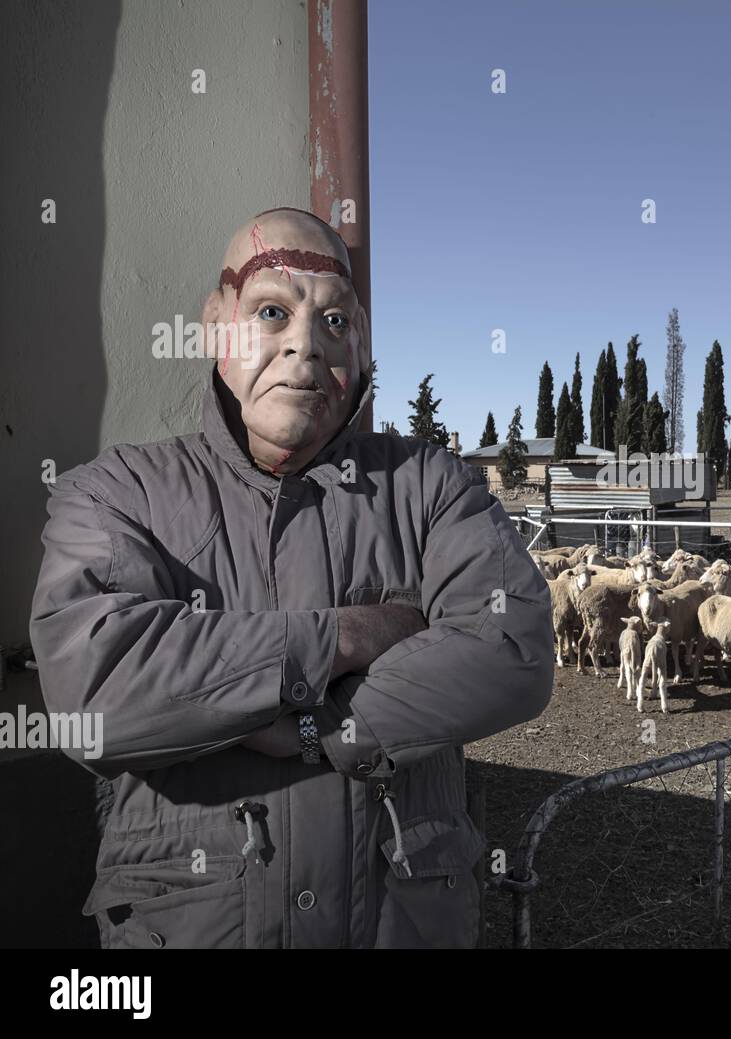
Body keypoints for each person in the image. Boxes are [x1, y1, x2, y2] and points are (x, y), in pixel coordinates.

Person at [29, 208, 554, 948]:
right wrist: (348, 636)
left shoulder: (430, 485)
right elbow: (99, 692)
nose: (305, 344)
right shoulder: (118, 493)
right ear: (217, 324)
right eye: (272, 311)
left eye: (334, 321)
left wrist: (312, 728)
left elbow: (513, 647)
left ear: (360, 342)